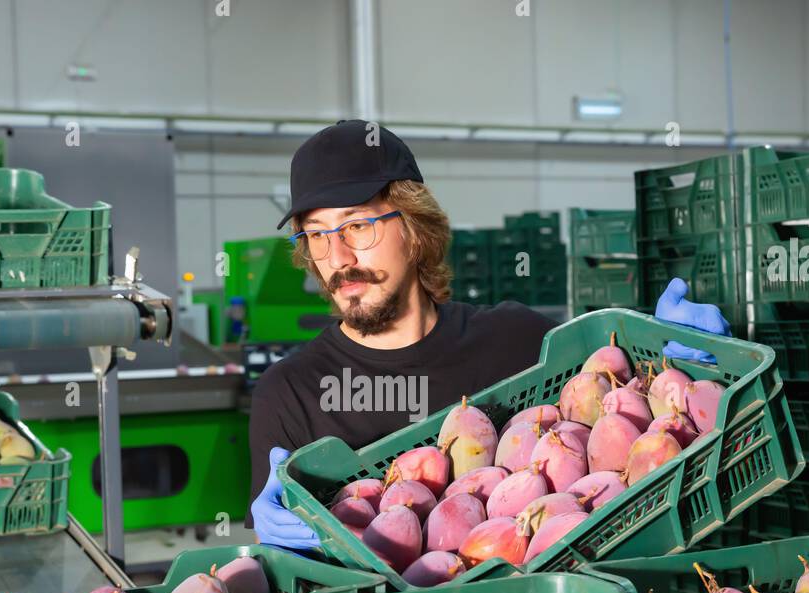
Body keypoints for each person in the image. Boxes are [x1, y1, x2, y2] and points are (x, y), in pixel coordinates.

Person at [248, 120, 729, 550]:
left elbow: (622, 409)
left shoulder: (516, 341)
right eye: (316, 234)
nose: (338, 257)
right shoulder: (290, 394)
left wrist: (684, 362)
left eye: (356, 225)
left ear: (415, 228)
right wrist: (275, 542)